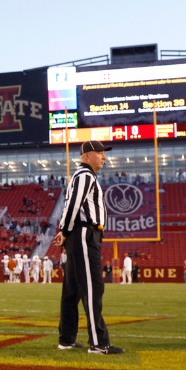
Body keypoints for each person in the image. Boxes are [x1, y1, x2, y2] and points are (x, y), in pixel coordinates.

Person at [52, 140, 123, 354]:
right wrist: (65, 231)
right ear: (86, 156)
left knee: (72, 290)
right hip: (84, 234)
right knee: (92, 287)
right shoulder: (84, 175)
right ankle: (99, 344)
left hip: (79, 234)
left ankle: (67, 339)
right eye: (100, 153)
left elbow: (70, 205)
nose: (104, 157)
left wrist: (65, 230)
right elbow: (73, 204)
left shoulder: (83, 176)